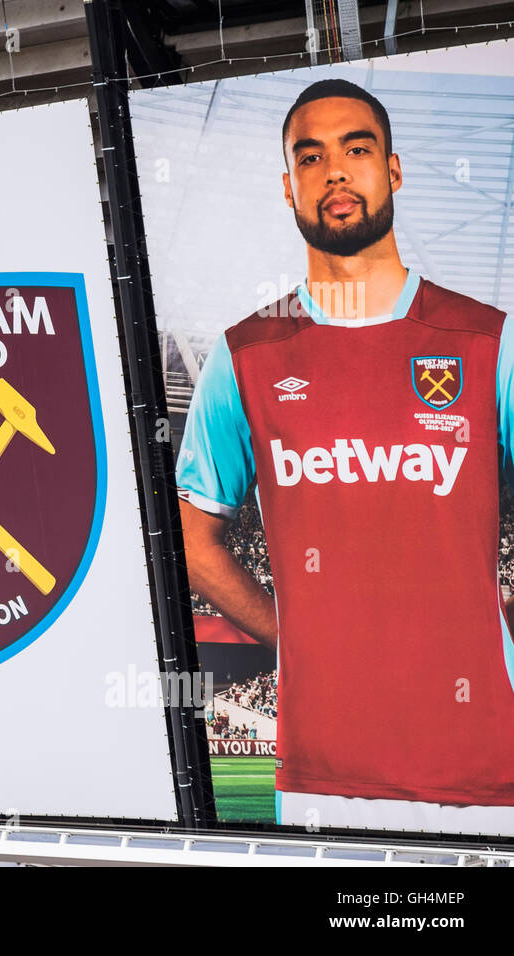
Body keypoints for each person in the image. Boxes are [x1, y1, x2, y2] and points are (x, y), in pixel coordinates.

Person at [177, 78, 514, 833]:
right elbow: (192, 542)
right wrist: (297, 641)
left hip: (491, 760)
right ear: (288, 185)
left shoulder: (489, 341)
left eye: (356, 149)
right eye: (311, 156)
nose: (335, 171)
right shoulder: (243, 357)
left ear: (392, 170)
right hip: (323, 773)